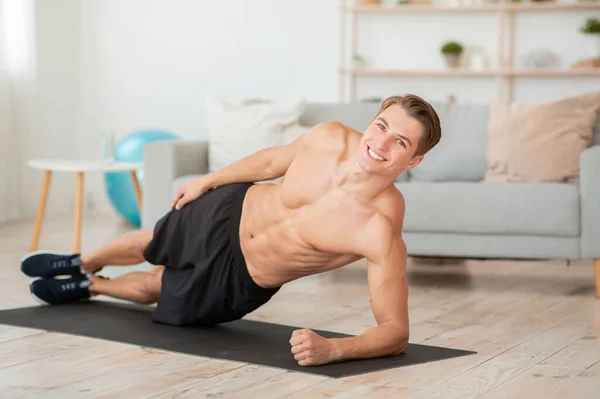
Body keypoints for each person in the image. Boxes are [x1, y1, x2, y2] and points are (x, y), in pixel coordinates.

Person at [21, 94, 441, 366]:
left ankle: (90, 285)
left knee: (156, 288)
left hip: (244, 276)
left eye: (401, 143)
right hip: (230, 211)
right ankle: (80, 260)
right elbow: (269, 163)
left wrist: (334, 349)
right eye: (382, 127)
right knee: (150, 240)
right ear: (373, 121)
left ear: (413, 161)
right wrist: (207, 180)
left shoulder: (379, 229)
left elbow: (395, 332)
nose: (381, 144)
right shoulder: (329, 137)